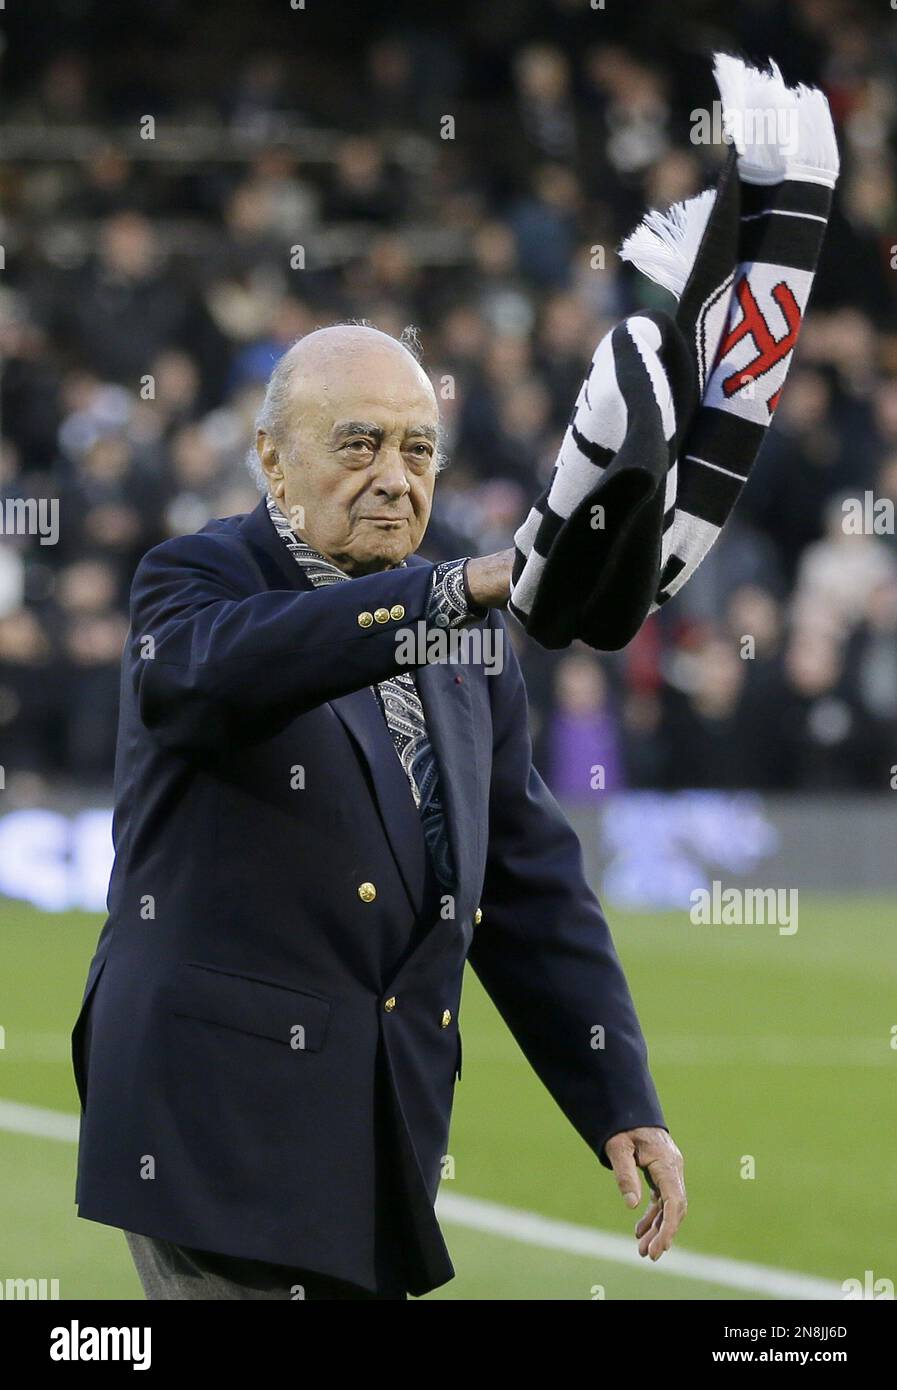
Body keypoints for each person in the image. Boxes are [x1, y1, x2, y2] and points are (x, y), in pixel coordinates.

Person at [72, 323, 685, 1300]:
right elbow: (232, 669)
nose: (396, 478)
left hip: (374, 1138)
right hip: (218, 1134)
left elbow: (528, 889)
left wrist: (619, 1095)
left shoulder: (473, 647)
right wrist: (457, 586)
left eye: (418, 448)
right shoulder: (193, 582)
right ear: (273, 460)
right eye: (359, 445)